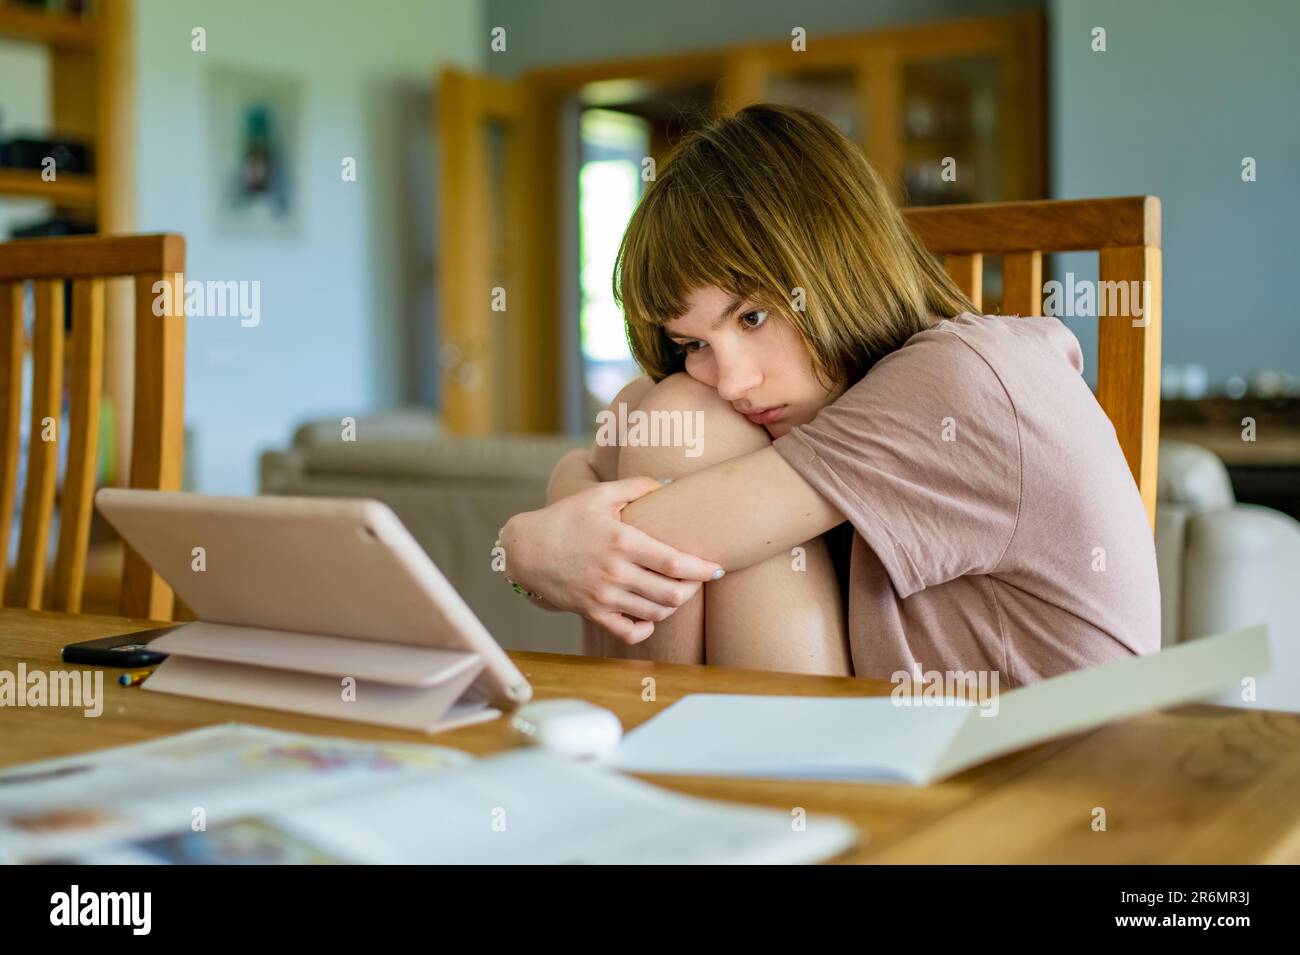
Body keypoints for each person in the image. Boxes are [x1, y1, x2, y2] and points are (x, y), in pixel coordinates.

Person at [498, 103, 1159, 686]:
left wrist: (531, 540)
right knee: (657, 406)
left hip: (1039, 799)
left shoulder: (962, 381)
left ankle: (645, 764)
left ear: (840, 261)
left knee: (679, 417)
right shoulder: (871, 392)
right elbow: (628, 423)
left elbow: (635, 546)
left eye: (752, 317)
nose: (732, 379)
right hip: (906, 765)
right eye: (692, 343)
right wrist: (570, 489)